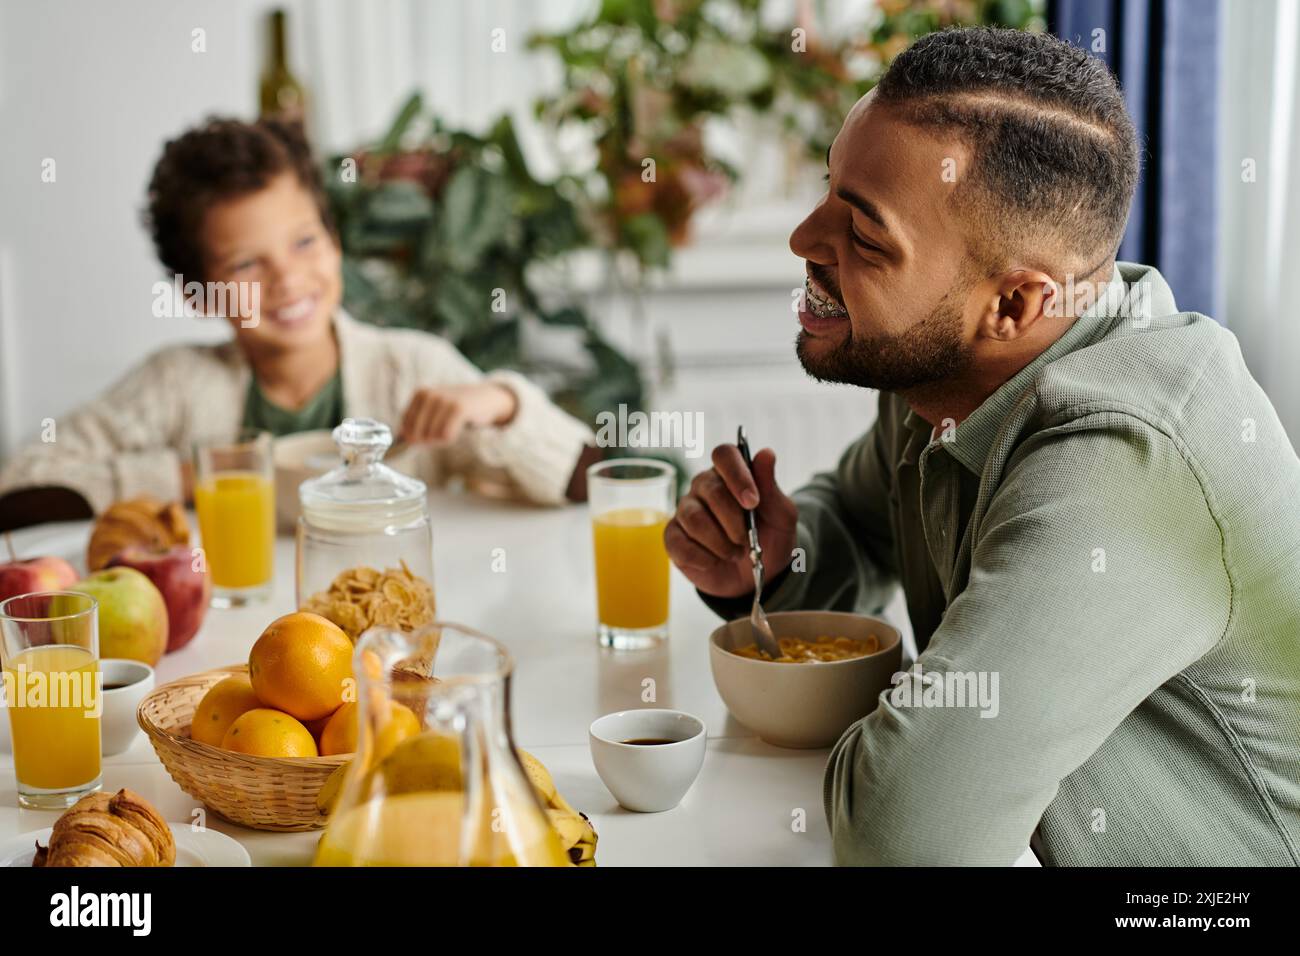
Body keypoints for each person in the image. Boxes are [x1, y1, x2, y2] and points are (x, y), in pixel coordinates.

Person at [666, 28, 1300, 865]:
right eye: (829, 189)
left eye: (863, 237)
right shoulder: (950, 374)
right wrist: (773, 563)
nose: (803, 241)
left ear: (1014, 305)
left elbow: (907, 832)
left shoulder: (1123, 463)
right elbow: (856, 524)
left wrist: (921, 733)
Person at [0, 118, 594, 516]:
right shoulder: (176, 386)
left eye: (305, 242)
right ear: (198, 294)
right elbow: (22, 488)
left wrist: (499, 403)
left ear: (336, 242)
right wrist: (187, 480)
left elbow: (587, 479)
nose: (286, 280)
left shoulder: (409, 368)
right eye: (244, 265)